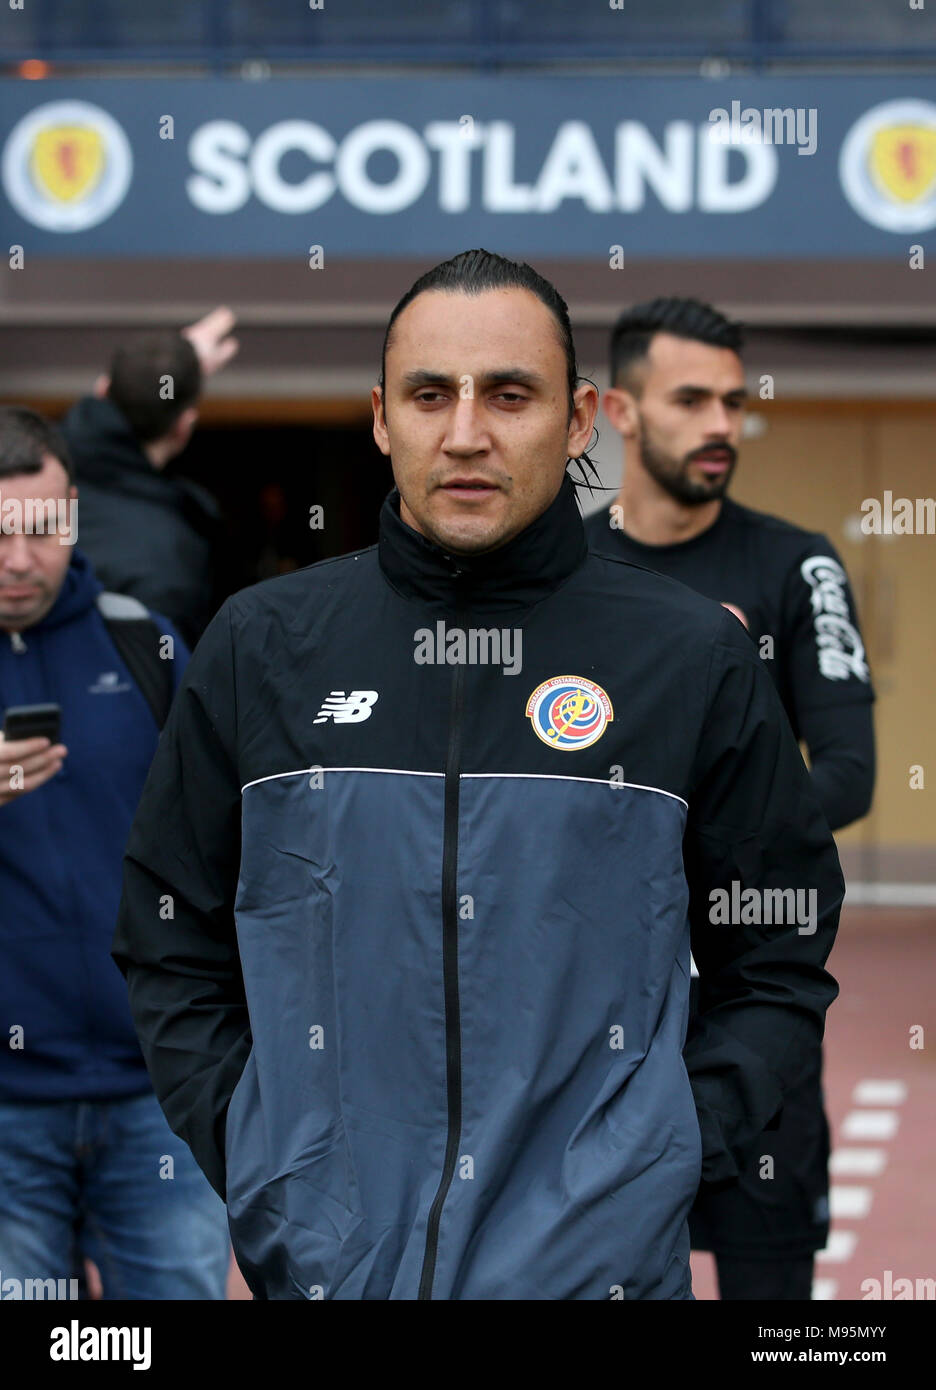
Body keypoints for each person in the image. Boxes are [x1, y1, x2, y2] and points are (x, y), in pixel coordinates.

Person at [112, 249, 844, 1302]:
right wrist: (267, 1152)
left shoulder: (689, 658)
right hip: (328, 1268)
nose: (465, 433)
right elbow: (168, 931)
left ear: (581, 416)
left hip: (602, 1275)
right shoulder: (262, 645)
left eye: (510, 394)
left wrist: (659, 1151)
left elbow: (775, 943)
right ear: (380, 417)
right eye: (428, 394)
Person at [583, 296, 876, 1300]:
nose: (721, 423)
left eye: (734, 400)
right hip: (592, 1011)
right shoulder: (564, 570)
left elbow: (848, 771)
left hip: (754, 1001)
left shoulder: (797, 563)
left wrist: (690, 841)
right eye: (691, 399)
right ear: (619, 411)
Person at [0, 406, 230, 1299]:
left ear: (74, 514)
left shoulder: (149, 643)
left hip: (156, 1093)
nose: (20, 559)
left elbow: (226, 848)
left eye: (41, 528)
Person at [61, 307, 239, 649]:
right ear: (184, 427)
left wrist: (166, 366)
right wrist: (174, 367)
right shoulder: (174, 555)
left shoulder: (30, 471)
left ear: (102, 389)